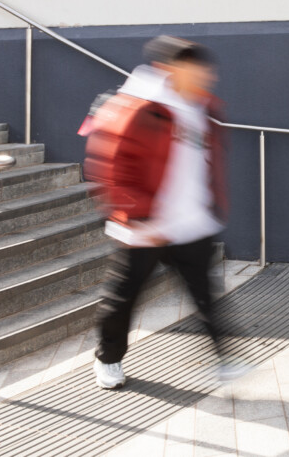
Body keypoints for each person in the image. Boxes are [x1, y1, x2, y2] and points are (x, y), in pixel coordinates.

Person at [84, 35, 228, 389]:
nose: (206, 77)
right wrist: (137, 214)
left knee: (205, 294)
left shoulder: (203, 107)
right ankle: (108, 358)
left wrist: (211, 203)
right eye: (197, 71)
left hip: (190, 222)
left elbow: (208, 161)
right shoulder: (139, 108)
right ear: (171, 69)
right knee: (124, 296)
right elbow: (110, 165)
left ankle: (224, 359)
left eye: (206, 71)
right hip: (145, 225)